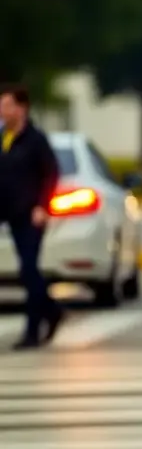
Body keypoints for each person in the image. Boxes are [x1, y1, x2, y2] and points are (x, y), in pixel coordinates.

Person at [0, 86, 64, 349]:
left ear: (22, 108)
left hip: (31, 214)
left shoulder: (35, 140)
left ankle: (32, 330)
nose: (3, 111)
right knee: (27, 272)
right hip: (10, 213)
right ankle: (52, 311)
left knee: (28, 269)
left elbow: (51, 173)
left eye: (7, 105)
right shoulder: (4, 137)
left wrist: (43, 206)